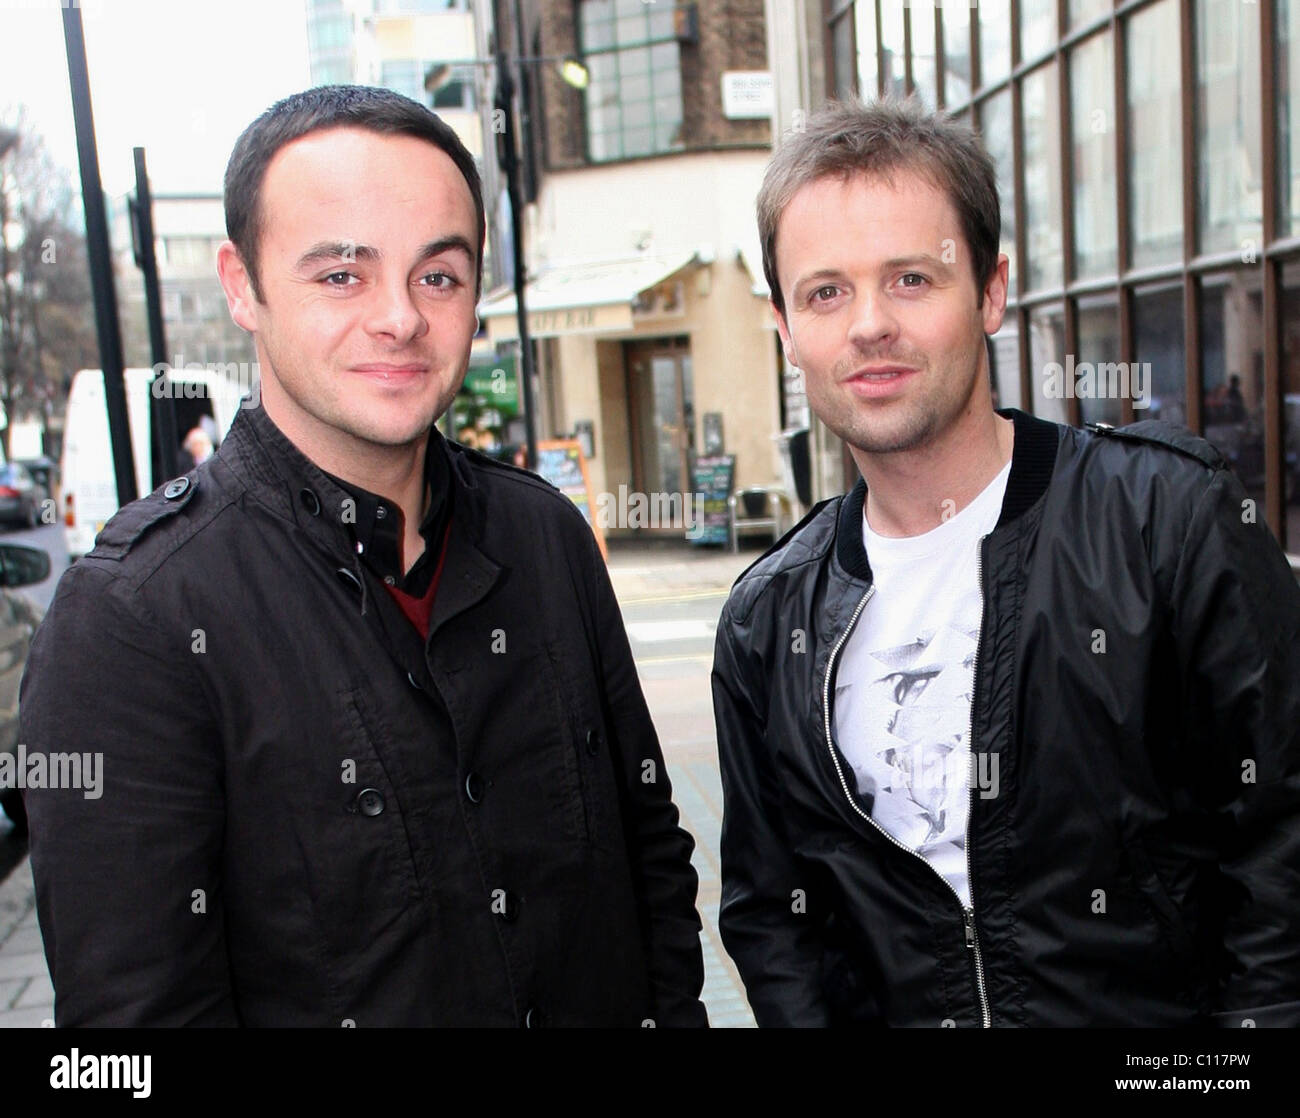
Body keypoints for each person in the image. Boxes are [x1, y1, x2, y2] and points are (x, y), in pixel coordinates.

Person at [21, 85, 707, 1027]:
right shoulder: (135, 619)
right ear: (240, 284)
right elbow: (132, 1025)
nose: (400, 318)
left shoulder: (546, 538)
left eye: (439, 276)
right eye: (341, 275)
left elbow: (648, 863)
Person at [712, 97, 1300, 1027]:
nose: (869, 325)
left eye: (910, 278)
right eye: (826, 291)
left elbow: (1279, 847)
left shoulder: (1164, 520)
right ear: (786, 328)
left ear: (990, 290)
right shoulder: (767, 618)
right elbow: (773, 918)